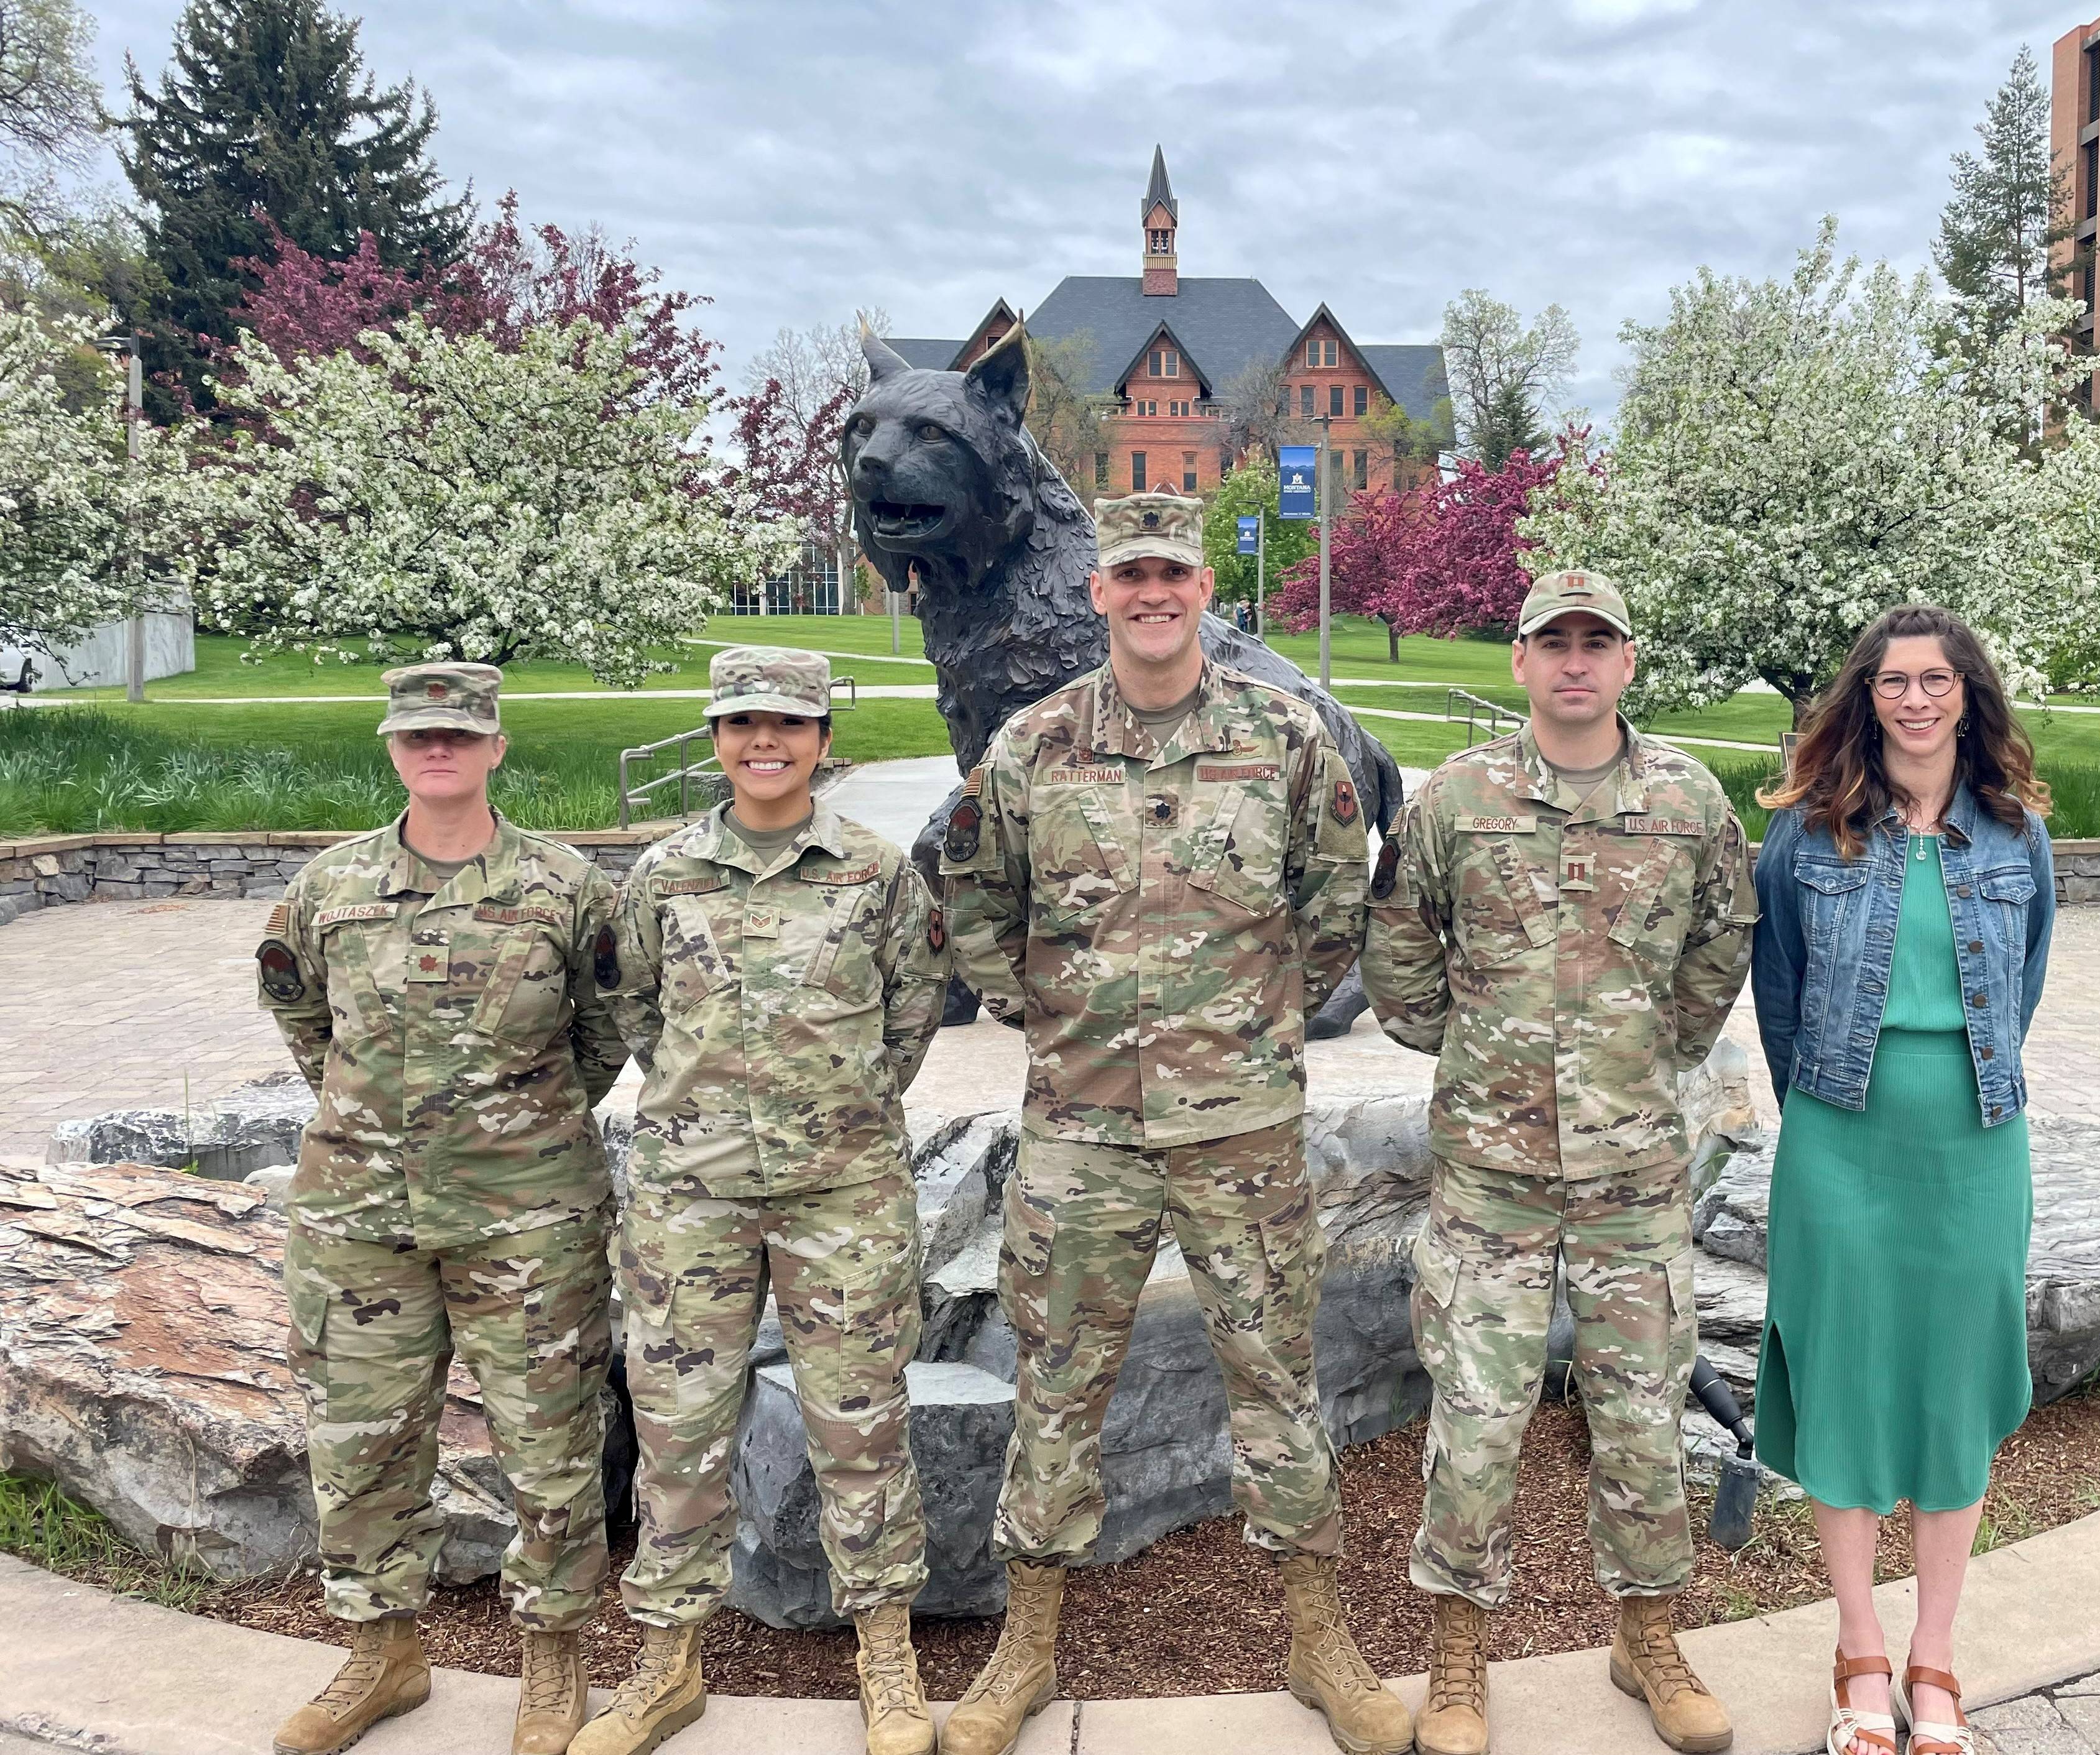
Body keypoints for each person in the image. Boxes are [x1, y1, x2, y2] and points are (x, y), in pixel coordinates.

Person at [939, 491, 1407, 1755]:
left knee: (1277, 1378)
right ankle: (1026, 1647)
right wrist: (1050, 1014)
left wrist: (1254, 1024)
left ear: (1205, 590)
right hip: (1081, 1129)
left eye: (1173, 575)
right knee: (1055, 1382)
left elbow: (1334, 907)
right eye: (1131, 575)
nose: (1152, 594)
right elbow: (974, 901)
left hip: (1239, 1129)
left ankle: (1320, 1639)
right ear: (1099, 590)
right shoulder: (1034, 744)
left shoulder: (1284, 736)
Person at [1361, 570, 1757, 1755]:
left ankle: (1648, 1638)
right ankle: (1459, 1657)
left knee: (1641, 1416)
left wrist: (1651, 1052)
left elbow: (1721, 943)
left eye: (1598, 642)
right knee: (1478, 1421)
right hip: (1492, 1178)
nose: (1575, 662)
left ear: (1627, 662)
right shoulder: (1458, 799)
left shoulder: (1688, 799)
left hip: (1634, 1179)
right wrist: (1474, 1042)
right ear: (1522, 662)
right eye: (1554, 642)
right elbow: (1397, 947)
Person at [576, 648, 950, 1755]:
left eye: (787, 723)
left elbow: (912, 1014)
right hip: (693, 1198)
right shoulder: (663, 876)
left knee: (861, 1426)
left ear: (823, 740)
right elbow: (639, 1017)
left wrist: (834, 1111)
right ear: (717, 739)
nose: (765, 741)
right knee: (678, 1429)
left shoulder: (877, 873)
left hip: (844, 1194)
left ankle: (885, 1651)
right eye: (743, 722)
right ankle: (667, 1661)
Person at [257, 663, 629, 1755]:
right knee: (361, 1441)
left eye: (458, 736)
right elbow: (303, 1018)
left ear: (495, 748)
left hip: (529, 1219)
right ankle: (384, 1653)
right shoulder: (329, 888)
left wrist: (512, 1128)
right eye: (418, 735)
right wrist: (384, 1122)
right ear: (392, 747)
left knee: (550, 1442)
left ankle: (554, 1656)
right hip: (359, 1218)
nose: (438, 750)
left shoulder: (568, 888)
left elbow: (606, 1034)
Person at [1749, 605, 2053, 1755]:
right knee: (1847, 1382)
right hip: (1840, 1144)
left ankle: (1936, 1657)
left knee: (1953, 1392)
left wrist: (1960, 1083)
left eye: (1935, 680)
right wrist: (1824, 1110)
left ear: (1968, 695)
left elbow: (2022, 989)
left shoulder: (2015, 835)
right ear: (1865, 698)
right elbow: (1779, 990)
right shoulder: (1806, 832)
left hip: (1973, 1148)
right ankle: (1861, 1650)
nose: (1914, 699)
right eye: (1892, 682)